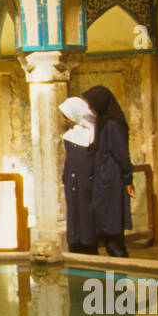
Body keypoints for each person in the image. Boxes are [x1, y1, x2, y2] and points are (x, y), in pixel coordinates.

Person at [81, 85, 135, 258]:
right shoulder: (103, 121)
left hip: (111, 181)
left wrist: (128, 179)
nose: (90, 108)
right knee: (106, 224)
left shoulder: (113, 125)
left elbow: (121, 153)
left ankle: (120, 270)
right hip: (103, 179)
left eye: (91, 104)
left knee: (112, 225)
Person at [58, 95, 99, 254]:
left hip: (87, 181)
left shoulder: (94, 134)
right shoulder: (70, 136)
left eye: (67, 116)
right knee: (74, 213)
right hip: (72, 181)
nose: (65, 120)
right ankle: (75, 243)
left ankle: (89, 245)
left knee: (87, 213)